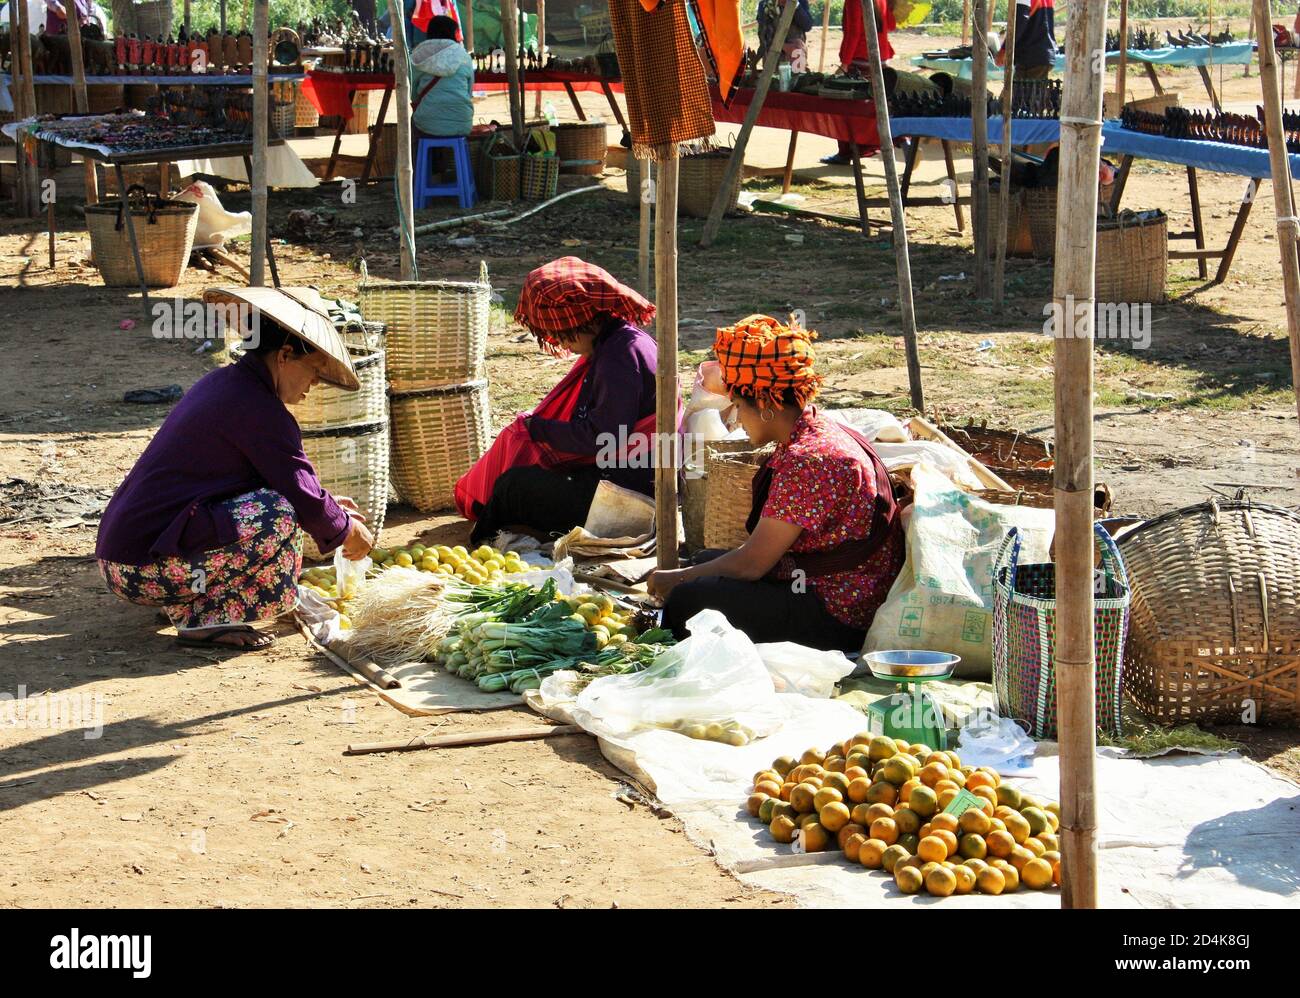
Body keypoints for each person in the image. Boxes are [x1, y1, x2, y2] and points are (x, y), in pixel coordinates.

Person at [95, 289, 374, 650]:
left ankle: (189, 600)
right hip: (140, 570)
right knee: (279, 515)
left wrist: (331, 509)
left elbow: (275, 482)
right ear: (286, 355)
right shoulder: (259, 409)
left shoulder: (225, 383)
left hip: (123, 560)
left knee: (280, 507)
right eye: (315, 370)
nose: (315, 384)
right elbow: (299, 497)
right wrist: (348, 530)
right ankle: (205, 618)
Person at [647, 315, 904, 652]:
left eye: (738, 406)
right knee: (704, 560)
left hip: (838, 611)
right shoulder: (815, 430)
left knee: (688, 599)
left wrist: (675, 580)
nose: (736, 418)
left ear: (766, 406)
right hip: (829, 585)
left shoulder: (810, 460)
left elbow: (752, 565)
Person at [459, 258, 663, 545]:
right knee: (531, 478)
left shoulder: (618, 358)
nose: (560, 343)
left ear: (581, 321)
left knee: (512, 487)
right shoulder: (625, 340)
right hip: (635, 476)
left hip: (628, 498)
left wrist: (538, 428)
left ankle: (482, 542)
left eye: (560, 334)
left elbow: (602, 438)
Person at [822, 0, 895, 166]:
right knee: (880, 105)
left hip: (861, 59)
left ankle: (846, 153)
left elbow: (854, 31)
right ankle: (904, 143)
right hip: (881, 57)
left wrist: (845, 63)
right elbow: (890, 25)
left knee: (847, 106)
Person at [410, 14, 475, 141]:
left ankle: (422, 160)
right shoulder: (463, 55)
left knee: (416, 125)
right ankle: (450, 160)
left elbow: (413, 93)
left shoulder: (418, 54)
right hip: (461, 122)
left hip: (426, 123)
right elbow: (469, 91)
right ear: (453, 33)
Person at [995, 0, 1057, 81]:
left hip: (1031, 57)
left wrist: (1004, 49)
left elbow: (1019, 22)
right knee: (1034, 92)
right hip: (1042, 54)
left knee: (1022, 92)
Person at [756, 0, 814, 69]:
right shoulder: (765, 5)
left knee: (798, 78)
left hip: (796, 57)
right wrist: (784, 47)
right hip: (772, 60)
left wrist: (795, 5)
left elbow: (807, 25)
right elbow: (763, 36)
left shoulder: (800, 1)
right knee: (774, 79)